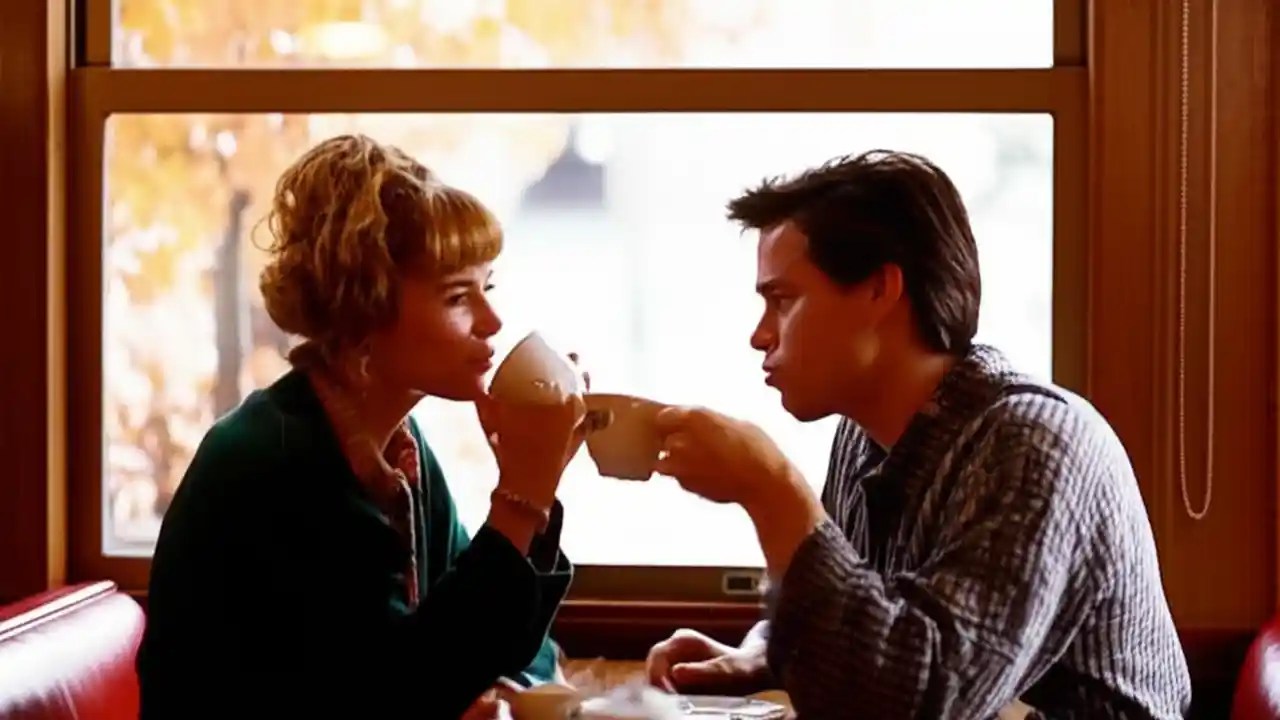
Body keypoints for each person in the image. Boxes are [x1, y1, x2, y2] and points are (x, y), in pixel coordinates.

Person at [644, 151, 1192, 719]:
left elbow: (926, 702)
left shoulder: (1032, 443)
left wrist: (771, 488)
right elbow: (874, 626)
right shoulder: (862, 438)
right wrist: (760, 654)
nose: (760, 336)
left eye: (783, 301)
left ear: (880, 289)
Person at [136, 134, 585, 719]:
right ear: (365, 311)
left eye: (488, 288)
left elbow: (487, 642)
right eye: (458, 297)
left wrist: (536, 490)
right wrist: (521, 495)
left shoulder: (399, 451)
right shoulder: (275, 462)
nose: (492, 321)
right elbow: (401, 687)